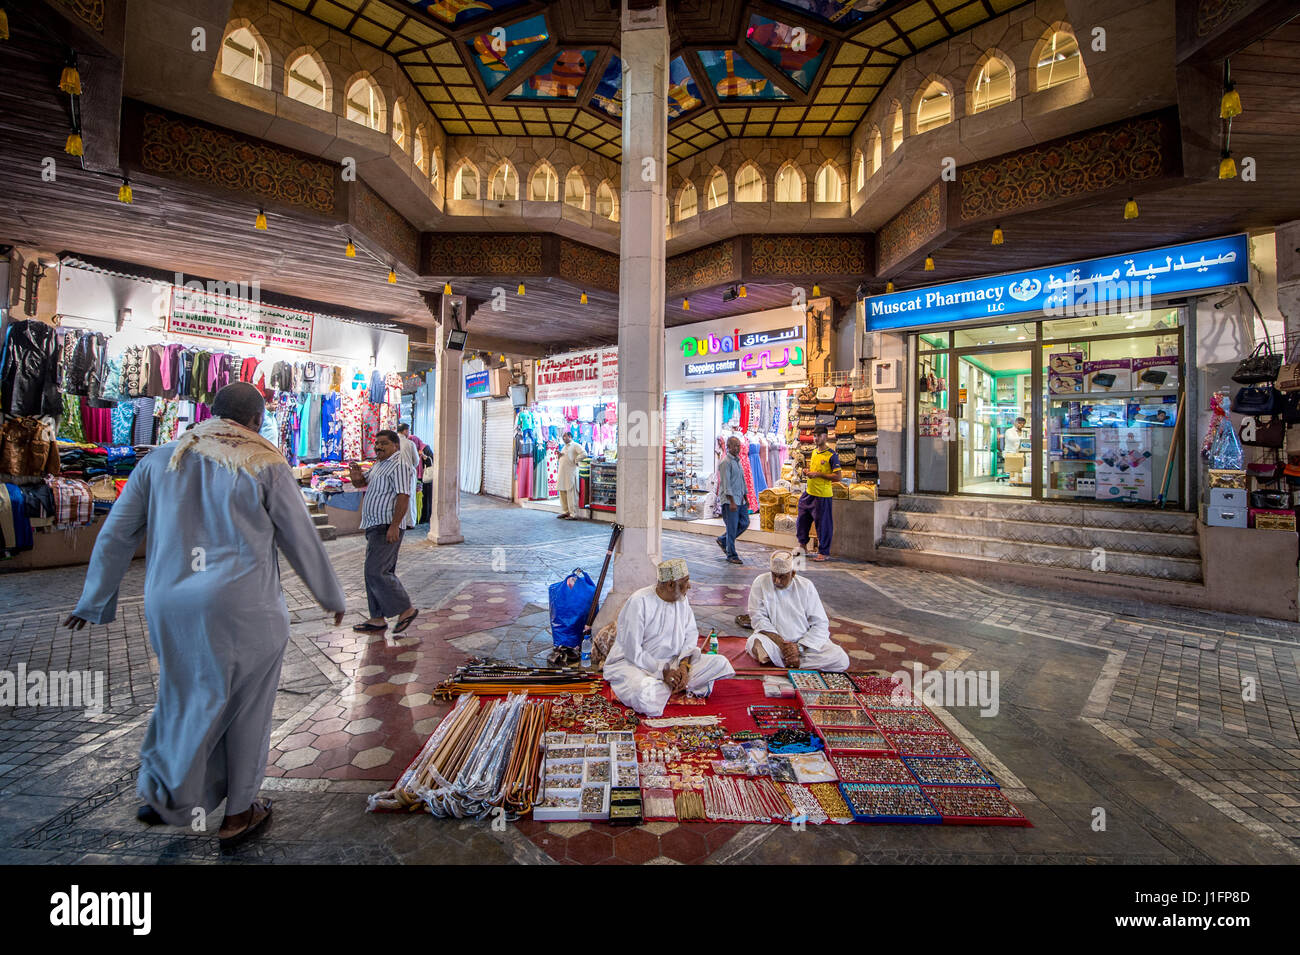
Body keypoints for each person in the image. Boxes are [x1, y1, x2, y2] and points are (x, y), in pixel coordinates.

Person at [63, 382, 346, 850]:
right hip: (244, 607)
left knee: (183, 694)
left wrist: (92, 600)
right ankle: (238, 814)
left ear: (211, 412)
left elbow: (116, 534)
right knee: (247, 711)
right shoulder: (264, 462)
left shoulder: (160, 459)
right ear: (255, 421)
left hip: (170, 607)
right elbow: (300, 537)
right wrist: (330, 596)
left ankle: (167, 792)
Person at [604, 558, 736, 717]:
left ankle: (672, 685)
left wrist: (684, 666)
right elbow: (633, 652)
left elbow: (690, 635)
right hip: (636, 665)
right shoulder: (639, 602)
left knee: (720, 662)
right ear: (670, 584)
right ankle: (676, 686)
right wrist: (663, 672)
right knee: (643, 695)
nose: (689, 586)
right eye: (685, 582)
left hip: (673, 662)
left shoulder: (681, 599)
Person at [349, 430, 419, 634]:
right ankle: (377, 618)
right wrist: (356, 477)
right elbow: (362, 483)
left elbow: (403, 497)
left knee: (377, 571)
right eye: (376, 443)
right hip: (374, 525)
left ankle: (406, 609)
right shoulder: (379, 464)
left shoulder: (400, 466)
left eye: (384, 444)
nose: (378, 447)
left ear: (396, 446)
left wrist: (395, 525)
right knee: (372, 572)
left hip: (386, 526)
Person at [745, 551, 849, 671]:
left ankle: (784, 662)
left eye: (782, 577)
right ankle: (793, 662)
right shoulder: (760, 582)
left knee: (840, 658)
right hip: (774, 642)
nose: (777, 581)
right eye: (774, 575)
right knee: (755, 643)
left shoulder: (806, 586)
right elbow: (758, 618)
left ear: (793, 573)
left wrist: (799, 648)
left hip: (804, 645)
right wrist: (783, 645)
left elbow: (820, 623)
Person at [795, 426, 840, 562]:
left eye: (819, 436)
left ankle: (824, 552)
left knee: (823, 524)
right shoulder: (814, 452)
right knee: (802, 520)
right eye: (814, 436)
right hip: (809, 493)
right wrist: (807, 472)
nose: (816, 438)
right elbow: (814, 471)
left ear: (825, 436)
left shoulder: (832, 455)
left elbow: (838, 477)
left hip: (823, 495)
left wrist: (819, 474)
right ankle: (802, 546)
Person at [714, 435, 748, 564]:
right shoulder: (725, 462)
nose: (738, 448)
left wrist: (746, 497)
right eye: (735, 446)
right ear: (728, 447)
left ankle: (724, 540)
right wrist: (732, 501)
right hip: (730, 501)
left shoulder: (738, 461)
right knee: (732, 528)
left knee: (744, 523)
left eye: (739, 446)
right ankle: (731, 554)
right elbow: (726, 484)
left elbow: (742, 481)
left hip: (741, 499)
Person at [555, 430, 589, 520]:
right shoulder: (564, 447)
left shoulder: (575, 445)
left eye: (565, 436)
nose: (563, 438)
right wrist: (560, 455)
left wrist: (576, 460)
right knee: (562, 491)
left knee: (571, 492)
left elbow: (584, 453)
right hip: (562, 472)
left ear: (570, 437)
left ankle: (573, 514)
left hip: (571, 472)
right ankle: (565, 511)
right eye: (563, 437)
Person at [418, 443, 435, 525]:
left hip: (426, 478)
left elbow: (431, 461)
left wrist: (424, 456)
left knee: (426, 498)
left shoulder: (425, 448)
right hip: (419, 478)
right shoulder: (415, 448)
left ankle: (426, 516)